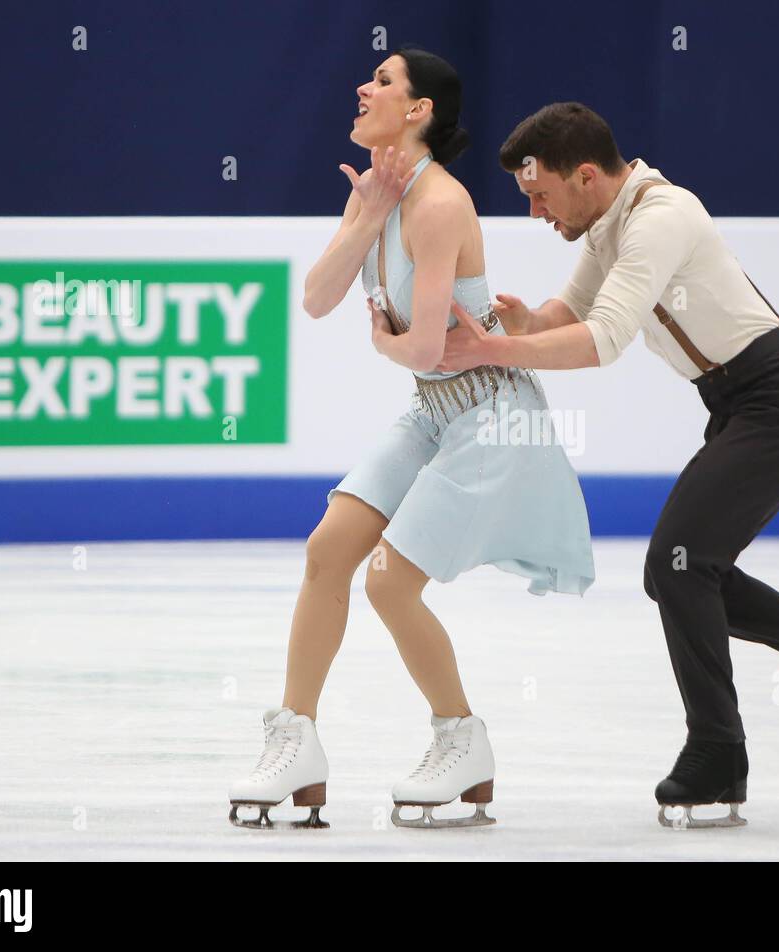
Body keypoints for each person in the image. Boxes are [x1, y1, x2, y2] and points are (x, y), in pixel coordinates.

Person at [439, 102, 779, 828]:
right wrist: (521, 324)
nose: (536, 210)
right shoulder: (609, 223)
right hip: (740, 403)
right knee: (674, 569)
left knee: (679, 562)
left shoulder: (659, 216)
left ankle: (719, 750)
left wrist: (492, 352)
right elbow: (569, 314)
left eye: (541, 194)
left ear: (585, 175)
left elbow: (604, 340)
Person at [227, 55, 594, 831]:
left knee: (389, 582)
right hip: (434, 412)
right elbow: (317, 298)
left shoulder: (437, 204)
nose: (364, 88)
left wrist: (383, 344)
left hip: (493, 416)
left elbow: (425, 348)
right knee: (330, 549)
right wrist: (365, 216)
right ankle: (296, 741)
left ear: (419, 109)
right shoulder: (384, 195)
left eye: (384, 80)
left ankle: (462, 739)